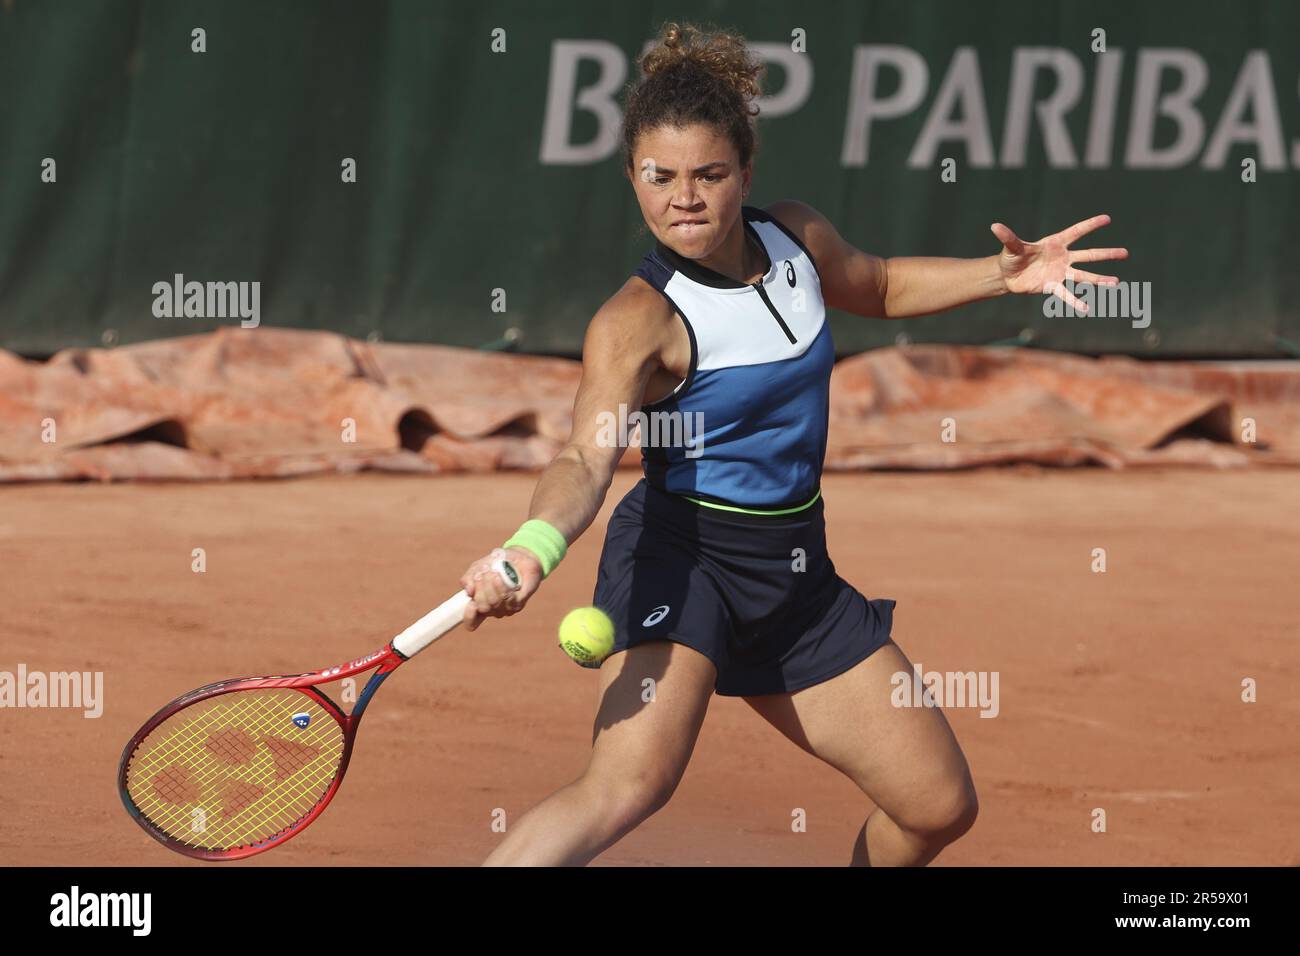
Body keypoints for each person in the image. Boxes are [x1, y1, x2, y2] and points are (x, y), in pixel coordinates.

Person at [459, 22, 1126, 866]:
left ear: (746, 171)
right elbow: (586, 458)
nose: (684, 198)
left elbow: (878, 284)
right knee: (629, 783)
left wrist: (1005, 273)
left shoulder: (797, 240)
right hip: (682, 557)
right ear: (632, 177)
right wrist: (532, 546)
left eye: (709, 174)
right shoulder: (635, 323)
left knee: (936, 807)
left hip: (793, 569)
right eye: (659, 177)